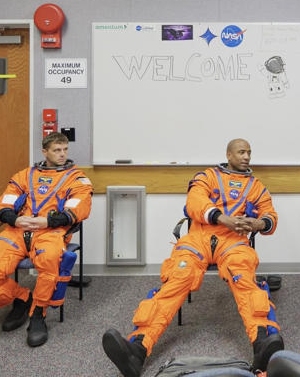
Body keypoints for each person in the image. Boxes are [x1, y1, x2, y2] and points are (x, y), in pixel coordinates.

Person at [102, 139, 283, 377]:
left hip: (234, 242)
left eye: (249, 152)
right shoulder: (207, 177)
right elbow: (194, 202)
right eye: (241, 152)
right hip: (198, 238)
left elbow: (270, 216)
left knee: (245, 280)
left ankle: (262, 346)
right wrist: (223, 218)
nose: (247, 156)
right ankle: (137, 349)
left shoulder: (256, 186)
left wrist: (258, 223)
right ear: (228, 155)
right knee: (178, 278)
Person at [0, 132, 93, 346]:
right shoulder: (24, 176)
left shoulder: (77, 179)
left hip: (50, 232)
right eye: (57, 150)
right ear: (45, 152)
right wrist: (16, 219)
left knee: (50, 261)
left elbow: (78, 208)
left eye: (65, 150)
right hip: (17, 231)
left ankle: (38, 315)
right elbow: (4, 204)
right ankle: (22, 298)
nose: (62, 154)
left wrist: (47, 221)